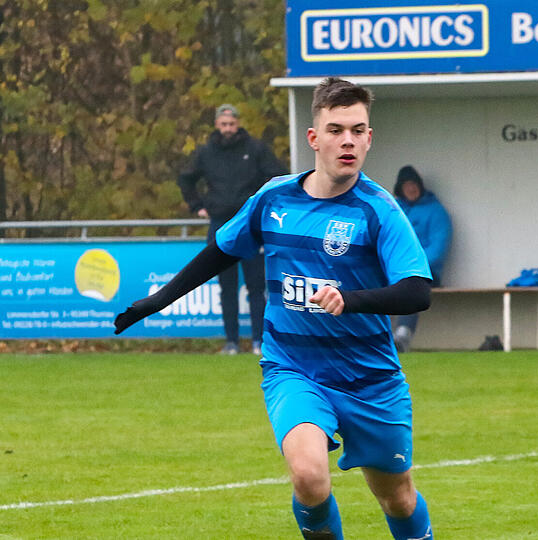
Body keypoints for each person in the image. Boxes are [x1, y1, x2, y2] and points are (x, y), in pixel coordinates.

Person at [116, 78, 436, 540]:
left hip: (370, 379)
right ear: (314, 138)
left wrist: (351, 300)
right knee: (308, 476)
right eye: (335, 129)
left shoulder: (379, 211)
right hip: (294, 369)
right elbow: (222, 250)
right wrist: (159, 300)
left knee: (397, 497)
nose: (347, 140)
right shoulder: (273, 198)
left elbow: (417, 291)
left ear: (369, 139)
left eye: (357, 130)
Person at [177, 103, 286, 355]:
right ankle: (231, 342)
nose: (228, 129)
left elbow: (278, 177)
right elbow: (185, 178)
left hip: (250, 224)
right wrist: (197, 206)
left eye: (232, 124)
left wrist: (266, 209)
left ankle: (259, 341)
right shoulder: (206, 153)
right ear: (217, 124)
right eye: (223, 124)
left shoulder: (256, 149)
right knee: (226, 285)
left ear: (238, 124)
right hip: (220, 225)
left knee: (257, 285)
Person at [392, 164, 452, 351]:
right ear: (400, 188)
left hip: (426, 273)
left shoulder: (436, 211)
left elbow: (438, 247)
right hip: (394, 270)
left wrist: (411, 266)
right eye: (406, 185)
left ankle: (402, 336)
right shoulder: (394, 211)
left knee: (412, 284)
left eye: (414, 184)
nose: (411, 188)